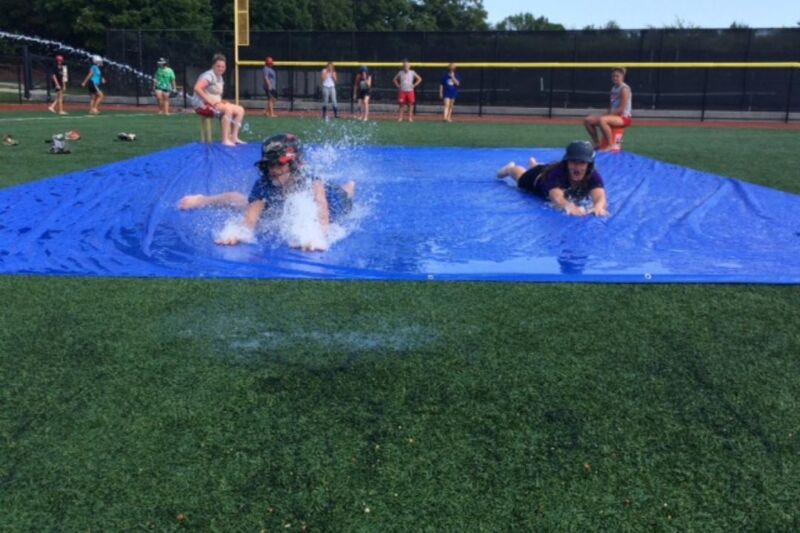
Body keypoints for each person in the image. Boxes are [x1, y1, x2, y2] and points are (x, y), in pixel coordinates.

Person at [178, 133, 356, 251]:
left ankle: (349, 187)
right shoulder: (264, 184)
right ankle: (203, 200)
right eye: (269, 165)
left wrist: (318, 236)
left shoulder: (309, 179)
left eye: (280, 164)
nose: (274, 169)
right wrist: (238, 234)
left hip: (332, 202)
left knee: (343, 197)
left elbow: (321, 207)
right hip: (279, 202)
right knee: (242, 203)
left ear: (295, 164)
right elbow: (250, 218)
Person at [496, 141, 608, 217]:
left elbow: (600, 194)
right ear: (567, 162)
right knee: (520, 176)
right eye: (573, 162)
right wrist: (569, 206)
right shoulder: (557, 174)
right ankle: (509, 169)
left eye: (582, 163)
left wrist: (598, 206)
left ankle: (534, 164)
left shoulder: (592, 174)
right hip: (535, 179)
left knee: (544, 168)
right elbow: (556, 197)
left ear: (589, 165)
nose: (577, 167)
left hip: (546, 170)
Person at [193, 54, 246, 147]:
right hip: (203, 105)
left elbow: (215, 94)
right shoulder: (209, 75)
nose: (221, 68)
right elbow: (197, 88)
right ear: (213, 66)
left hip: (215, 104)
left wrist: (222, 101)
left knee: (240, 109)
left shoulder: (220, 77)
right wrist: (210, 101)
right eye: (218, 66)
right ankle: (225, 139)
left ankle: (234, 137)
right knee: (228, 109)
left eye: (223, 66)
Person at [584, 67, 633, 151]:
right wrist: (606, 114)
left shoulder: (624, 89)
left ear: (622, 77)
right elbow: (611, 106)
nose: (615, 78)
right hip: (614, 116)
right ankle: (597, 143)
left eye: (617, 76)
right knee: (587, 120)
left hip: (624, 117)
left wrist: (605, 117)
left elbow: (621, 109)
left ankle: (611, 144)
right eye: (613, 76)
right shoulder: (613, 88)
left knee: (603, 120)